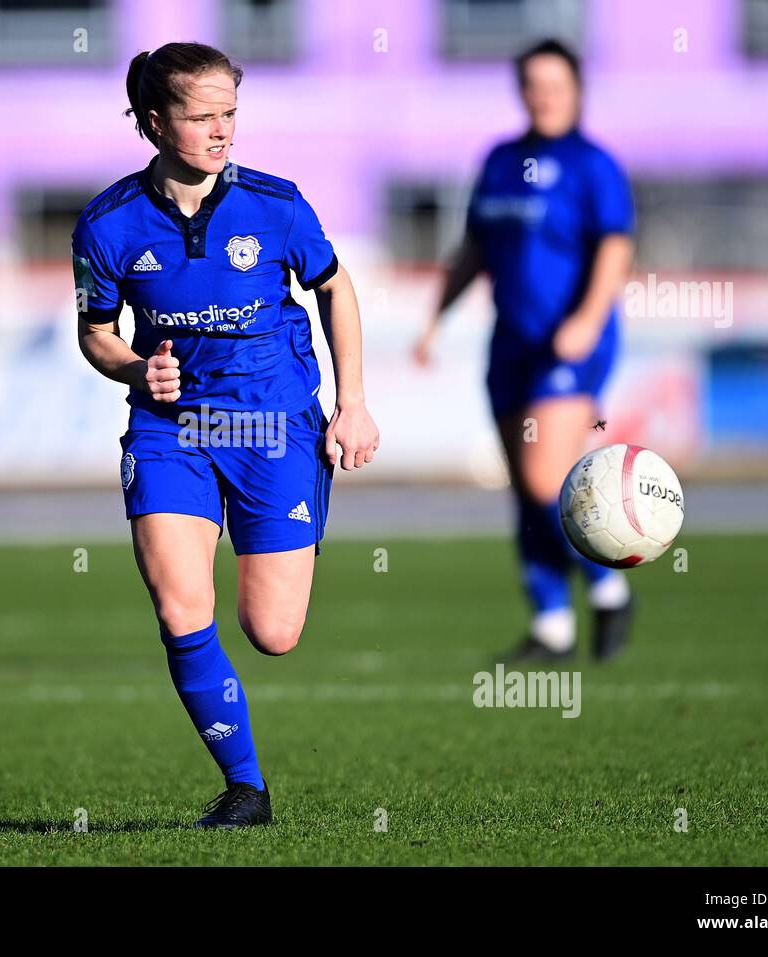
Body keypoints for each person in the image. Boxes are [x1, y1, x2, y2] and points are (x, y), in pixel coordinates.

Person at [73, 42, 379, 828]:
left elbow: (335, 288)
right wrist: (139, 370)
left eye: (230, 114)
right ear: (153, 122)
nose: (222, 131)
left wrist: (354, 403)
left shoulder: (276, 205)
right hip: (171, 433)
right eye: (202, 115)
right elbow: (97, 335)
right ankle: (247, 789)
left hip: (274, 426)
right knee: (180, 607)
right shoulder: (107, 223)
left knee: (272, 632)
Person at [413, 39, 636, 661]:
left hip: (567, 345)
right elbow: (475, 248)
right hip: (510, 343)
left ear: (576, 90)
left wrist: (588, 319)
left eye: (554, 84)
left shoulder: (593, 165)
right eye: (532, 84)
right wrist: (435, 320)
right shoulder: (501, 160)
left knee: (545, 478)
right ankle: (552, 624)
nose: (543, 95)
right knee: (524, 486)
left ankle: (609, 586)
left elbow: (616, 248)